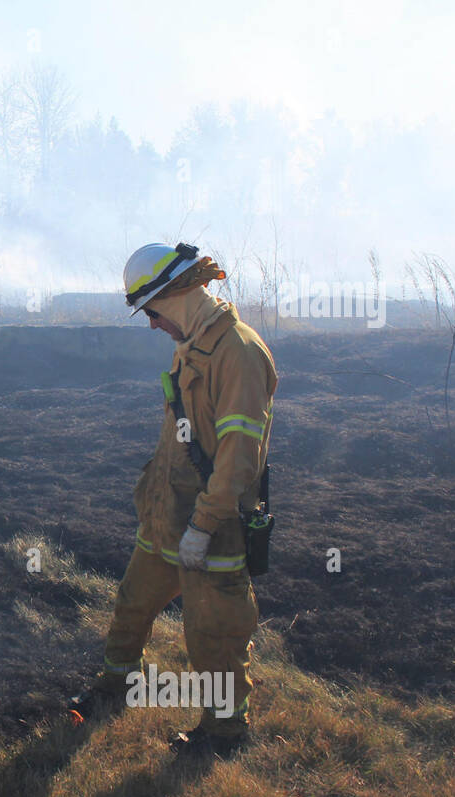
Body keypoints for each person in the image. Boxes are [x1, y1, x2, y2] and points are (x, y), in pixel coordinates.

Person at [71, 242, 277, 757]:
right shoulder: (191, 343)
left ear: (175, 294)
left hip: (212, 527)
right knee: (132, 605)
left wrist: (203, 526)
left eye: (152, 311)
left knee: (215, 634)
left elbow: (237, 458)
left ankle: (224, 733)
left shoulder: (240, 354)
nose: (152, 325)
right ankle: (116, 686)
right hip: (166, 516)